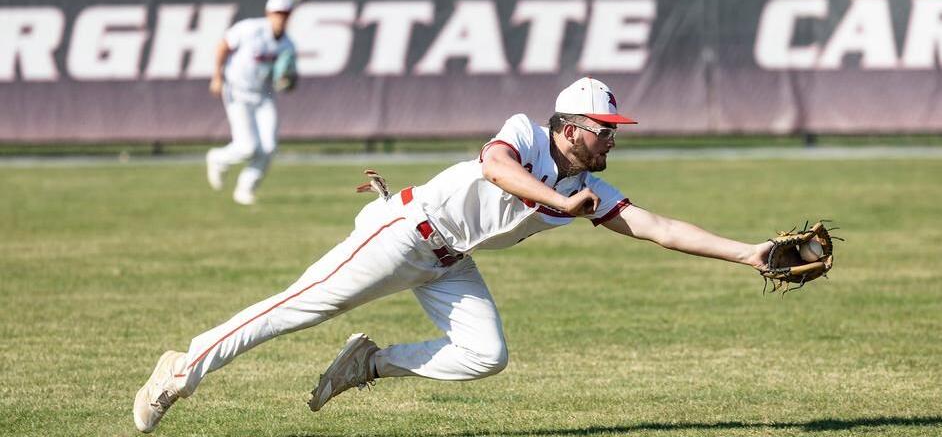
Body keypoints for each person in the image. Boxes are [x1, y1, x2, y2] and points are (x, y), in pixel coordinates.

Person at [133, 77, 775, 433]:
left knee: (486, 354)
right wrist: (559, 200)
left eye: (614, 131)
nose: (613, 140)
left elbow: (659, 227)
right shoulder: (527, 133)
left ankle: (369, 364)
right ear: (571, 127)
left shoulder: (590, 188)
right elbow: (496, 167)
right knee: (296, 309)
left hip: (448, 261)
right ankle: (181, 370)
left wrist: (749, 253)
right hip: (403, 232)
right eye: (605, 130)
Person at [206, 0, 296, 205]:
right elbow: (223, 46)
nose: (280, 18)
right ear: (268, 13)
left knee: (269, 147)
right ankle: (217, 158)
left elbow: (288, 80)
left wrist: (287, 80)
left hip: (263, 95)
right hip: (237, 91)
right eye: (277, 13)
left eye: (285, 14)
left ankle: (246, 188)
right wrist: (217, 76)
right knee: (247, 147)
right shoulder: (250, 29)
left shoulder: (288, 45)